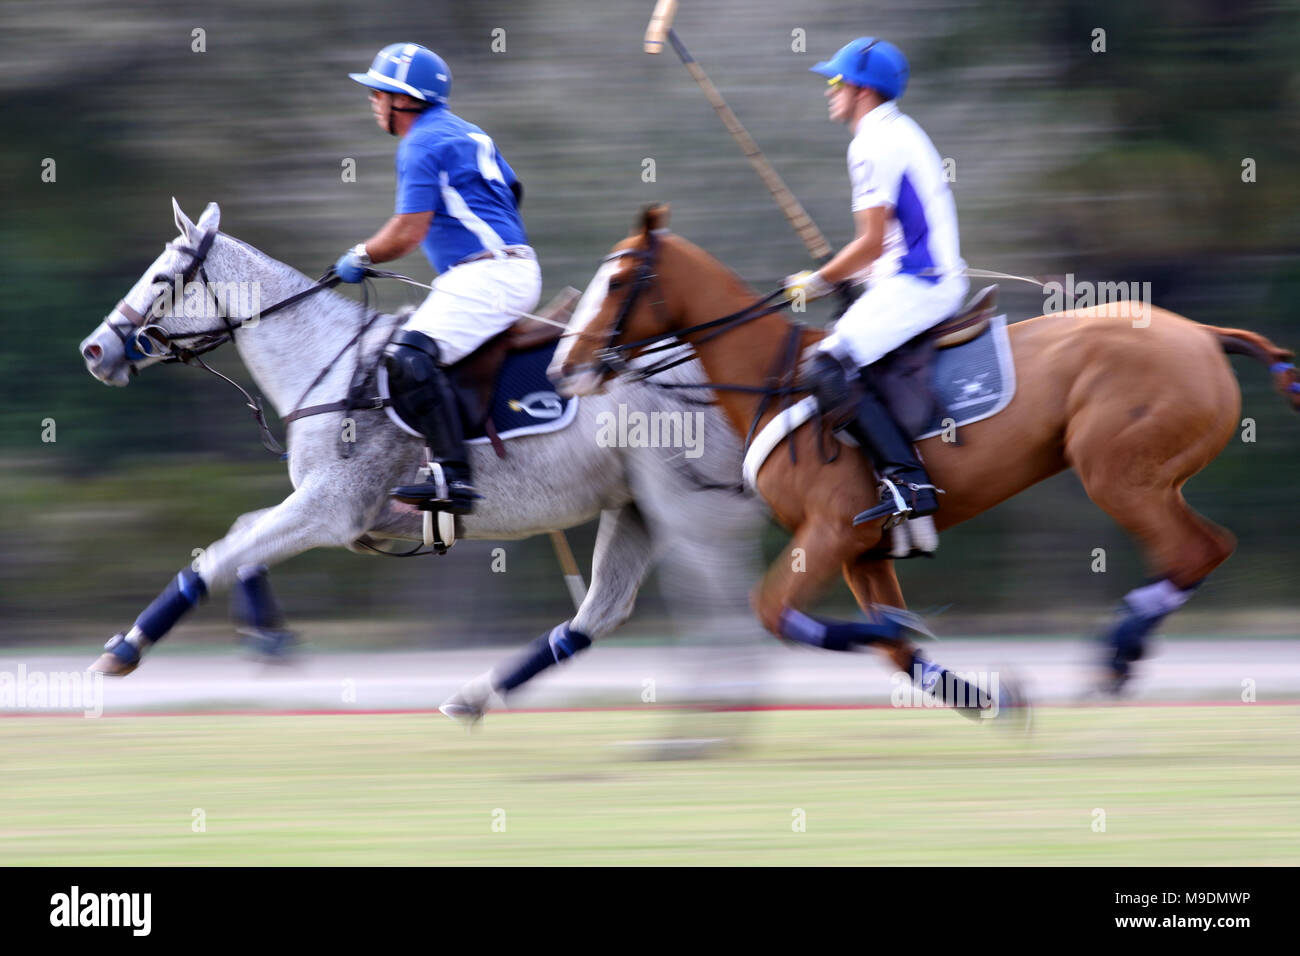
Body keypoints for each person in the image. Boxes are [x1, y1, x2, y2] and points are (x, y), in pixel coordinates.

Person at [336, 42, 541, 513]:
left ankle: (453, 476)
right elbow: (513, 189)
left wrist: (361, 254)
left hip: (489, 276)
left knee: (408, 357)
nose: (372, 101)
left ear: (403, 99)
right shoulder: (464, 131)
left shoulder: (421, 143)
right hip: (496, 269)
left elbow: (408, 232)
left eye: (378, 92)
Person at [784, 37, 967, 544]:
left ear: (863, 91)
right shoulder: (896, 131)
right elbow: (886, 243)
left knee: (824, 367)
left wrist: (817, 282)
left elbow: (867, 242)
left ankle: (907, 483)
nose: (829, 90)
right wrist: (857, 279)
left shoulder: (871, 142)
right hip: (912, 277)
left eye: (836, 81)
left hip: (922, 285)